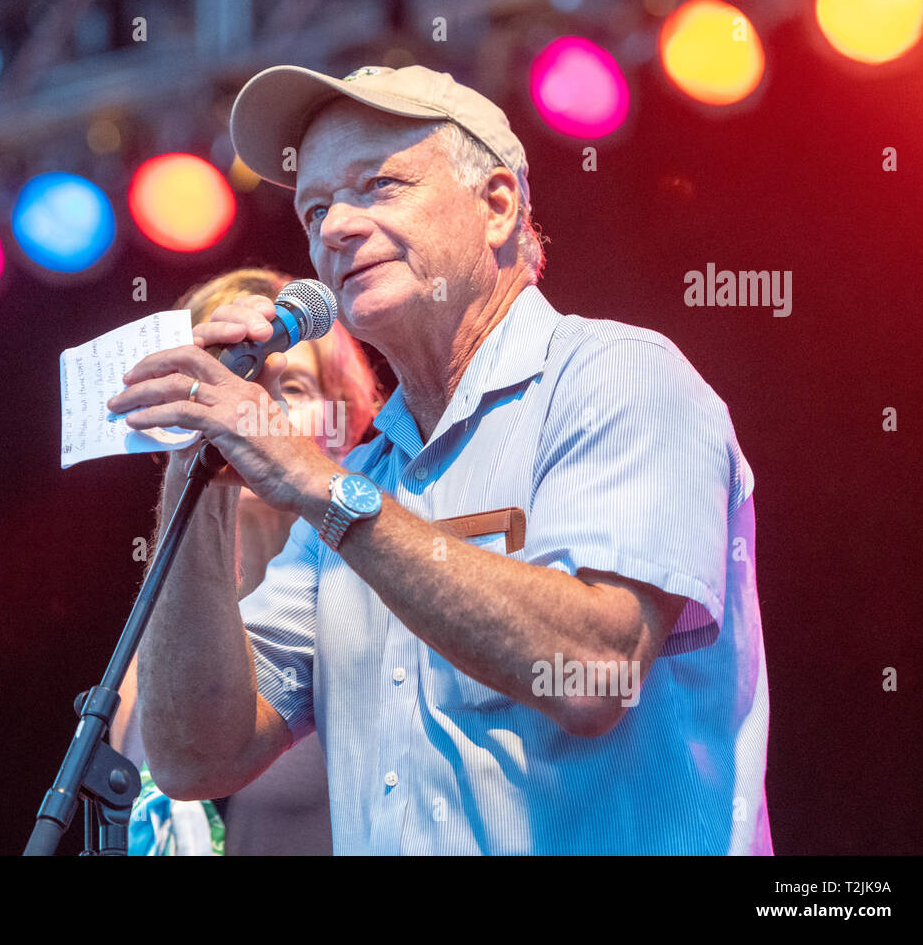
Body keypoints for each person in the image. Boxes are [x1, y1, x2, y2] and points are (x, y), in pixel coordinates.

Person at [108, 64, 772, 854]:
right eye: (315, 208)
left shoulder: (617, 374)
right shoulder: (361, 480)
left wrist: (322, 487)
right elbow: (195, 758)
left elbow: (597, 671)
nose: (335, 228)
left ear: (497, 207)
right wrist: (197, 478)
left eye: (378, 186)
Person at [109, 267, 384, 855]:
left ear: (349, 424)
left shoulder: (371, 627)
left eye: (291, 390)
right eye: (229, 382)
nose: (248, 411)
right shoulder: (148, 656)